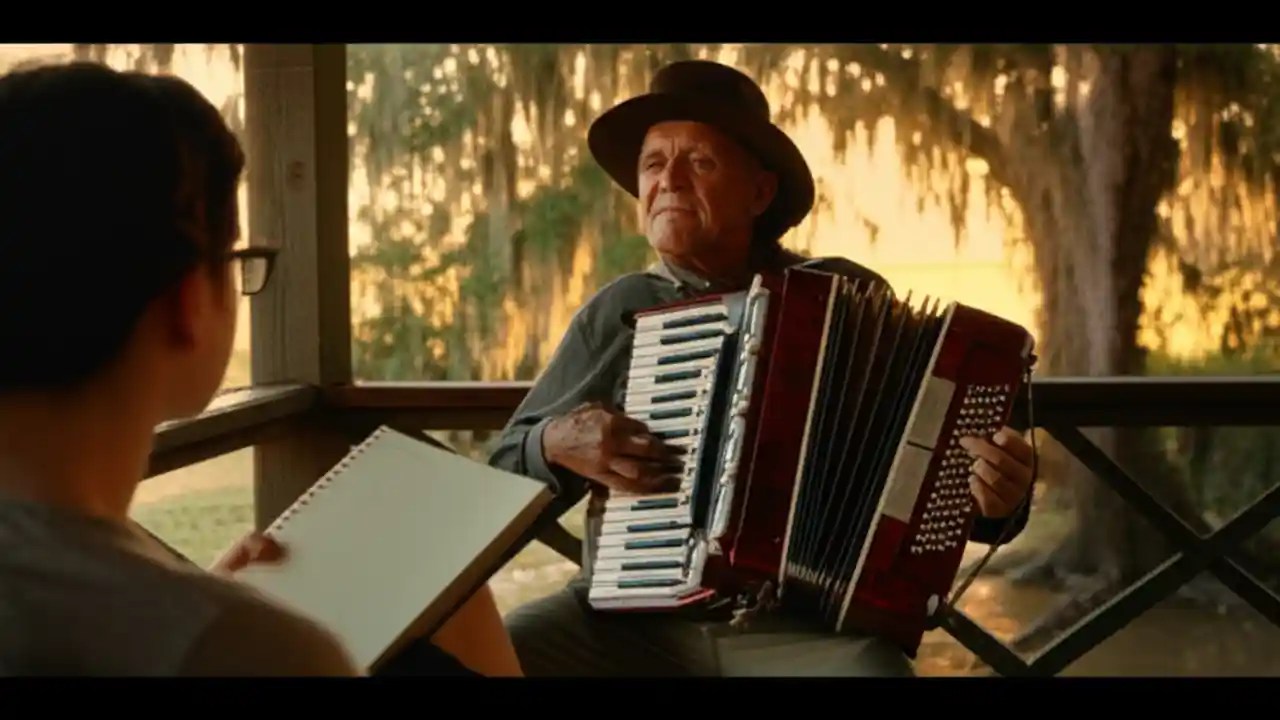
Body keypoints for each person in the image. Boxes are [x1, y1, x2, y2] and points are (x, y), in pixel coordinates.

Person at [489, 59, 1038, 677]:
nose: (667, 180)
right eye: (652, 163)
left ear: (759, 191)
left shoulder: (847, 295)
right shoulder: (621, 311)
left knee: (873, 674)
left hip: (802, 627)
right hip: (630, 622)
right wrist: (554, 442)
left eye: (698, 161)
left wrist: (997, 502)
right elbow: (503, 472)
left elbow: (947, 484)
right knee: (498, 652)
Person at [0, 61, 516, 677]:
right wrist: (206, 620)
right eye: (235, 259)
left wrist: (195, 595)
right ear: (188, 301)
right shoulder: (252, 650)